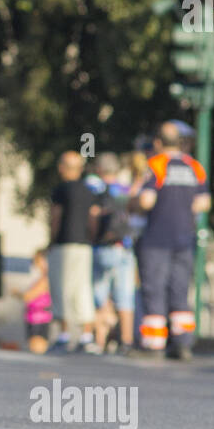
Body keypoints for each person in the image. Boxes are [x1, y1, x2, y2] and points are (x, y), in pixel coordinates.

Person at [136, 121, 209, 360]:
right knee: (179, 289)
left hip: (157, 237)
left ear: (158, 143)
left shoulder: (157, 164)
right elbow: (203, 203)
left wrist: (131, 203)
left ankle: (154, 343)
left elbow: (146, 200)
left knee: (155, 289)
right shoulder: (194, 167)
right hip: (183, 238)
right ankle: (183, 342)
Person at [48, 150, 100, 353]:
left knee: (62, 288)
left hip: (64, 244)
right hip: (84, 245)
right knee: (83, 288)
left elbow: (56, 216)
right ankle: (86, 336)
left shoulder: (61, 190)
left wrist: (51, 240)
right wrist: (91, 238)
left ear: (63, 168)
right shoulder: (89, 191)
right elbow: (93, 218)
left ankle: (64, 335)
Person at [89, 152, 137, 354]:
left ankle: (98, 341)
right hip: (124, 247)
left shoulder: (97, 189)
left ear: (99, 169)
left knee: (99, 295)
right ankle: (126, 340)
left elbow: (92, 216)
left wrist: (92, 237)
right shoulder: (125, 190)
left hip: (103, 247)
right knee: (125, 296)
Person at [12, 249, 51, 354]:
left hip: (39, 319)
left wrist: (17, 293)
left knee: (37, 350)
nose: (35, 265)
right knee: (33, 349)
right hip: (33, 317)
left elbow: (29, 296)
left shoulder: (46, 279)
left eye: (37, 261)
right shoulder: (41, 278)